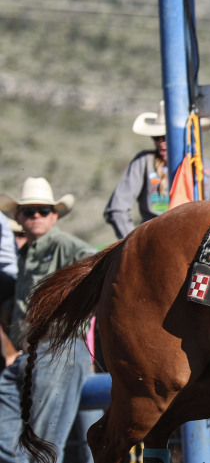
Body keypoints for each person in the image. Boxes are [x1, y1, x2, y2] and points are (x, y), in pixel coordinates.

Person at [0, 177, 95, 463]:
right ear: (19, 217)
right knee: (10, 435)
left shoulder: (66, 246)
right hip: (30, 354)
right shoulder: (26, 253)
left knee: (42, 444)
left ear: (55, 215)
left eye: (43, 210)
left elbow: (98, 264)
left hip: (58, 349)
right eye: (29, 212)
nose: (36, 216)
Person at [104, 104, 210, 239]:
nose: (161, 142)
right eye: (156, 137)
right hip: (153, 241)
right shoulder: (144, 162)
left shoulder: (208, 168)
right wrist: (134, 246)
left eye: (167, 136)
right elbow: (117, 209)